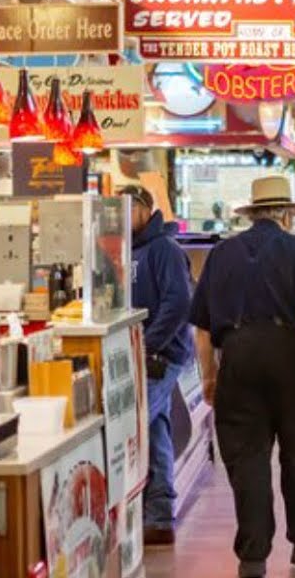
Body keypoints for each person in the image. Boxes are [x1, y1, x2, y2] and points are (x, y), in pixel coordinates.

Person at [190, 175, 295, 578]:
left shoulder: (221, 254)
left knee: (248, 459)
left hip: (238, 357)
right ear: (286, 216)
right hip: (290, 353)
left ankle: (253, 557)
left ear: (253, 214)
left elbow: (202, 328)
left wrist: (210, 374)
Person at [118, 184, 193, 547]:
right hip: (140, 354)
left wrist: (149, 345)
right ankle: (159, 516)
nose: (123, 214)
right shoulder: (123, 249)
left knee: (139, 427)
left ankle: (150, 512)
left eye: (130, 207)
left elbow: (178, 302)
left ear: (146, 209)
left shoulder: (164, 248)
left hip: (160, 356)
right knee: (156, 429)